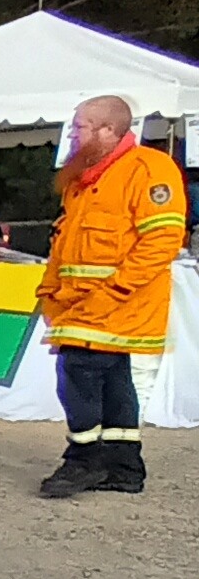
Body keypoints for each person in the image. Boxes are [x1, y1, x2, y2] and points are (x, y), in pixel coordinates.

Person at [35, 95, 188, 498]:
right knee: (114, 381)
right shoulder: (82, 180)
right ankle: (123, 466)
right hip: (78, 304)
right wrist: (48, 291)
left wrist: (116, 289)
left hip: (119, 303)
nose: (72, 134)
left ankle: (84, 460)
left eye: (79, 126)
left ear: (109, 130)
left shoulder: (149, 170)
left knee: (78, 374)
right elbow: (63, 242)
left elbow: (162, 241)